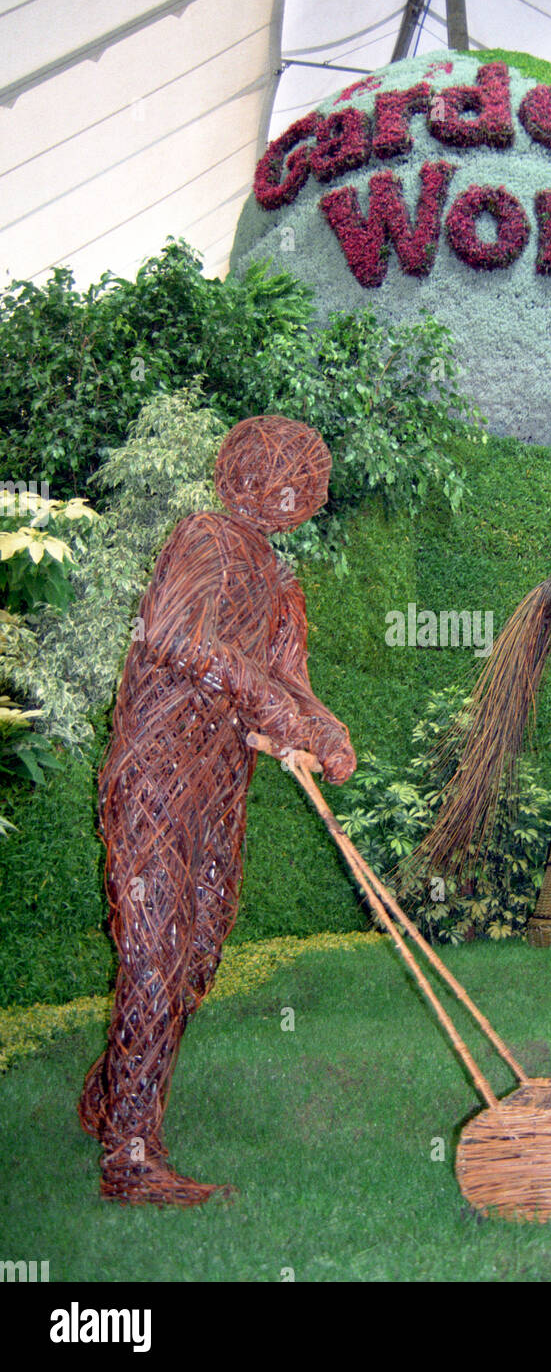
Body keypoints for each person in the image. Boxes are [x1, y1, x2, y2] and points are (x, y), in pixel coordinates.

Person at [79, 416, 355, 1205]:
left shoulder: (280, 579)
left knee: (198, 944)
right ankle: (130, 1153)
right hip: (156, 774)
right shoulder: (203, 537)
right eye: (289, 475)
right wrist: (269, 702)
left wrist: (326, 731)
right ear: (246, 479)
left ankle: (111, 1094)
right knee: (155, 947)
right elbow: (172, 634)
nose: (302, 491)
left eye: (308, 480)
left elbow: (291, 681)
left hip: (219, 783)